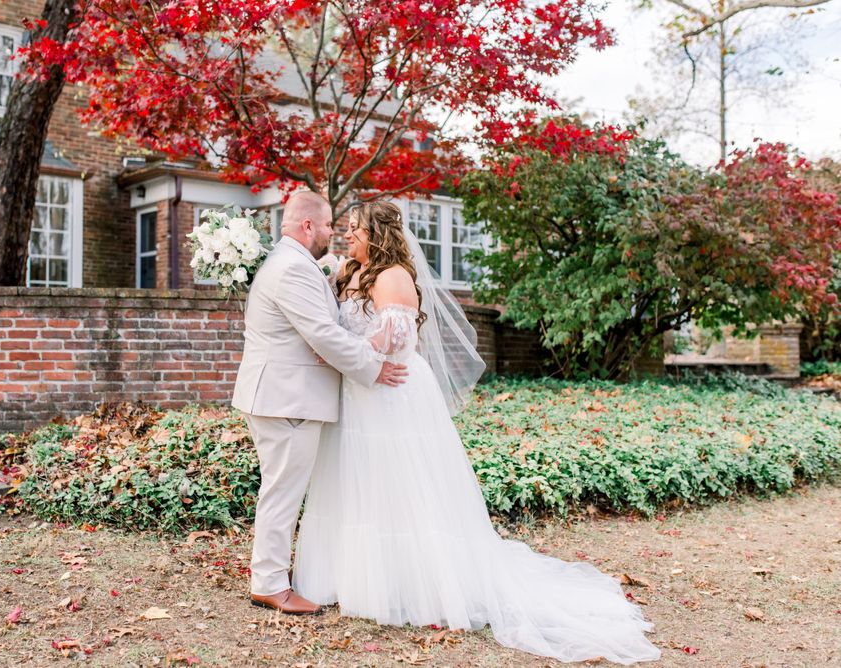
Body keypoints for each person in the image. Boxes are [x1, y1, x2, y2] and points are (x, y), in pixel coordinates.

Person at [291, 200, 662, 665]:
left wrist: (340, 354)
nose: (347, 235)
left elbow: (393, 341)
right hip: (359, 393)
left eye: (355, 229)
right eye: (343, 228)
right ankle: (352, 575)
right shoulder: (346, 270)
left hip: (392, 393)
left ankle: (410, 581)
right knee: (356, 483)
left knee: (400, 487)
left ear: (378, 233)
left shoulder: (394, 278)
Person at [231, 191, 408, 615]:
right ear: (308, 226)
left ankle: (271, 577)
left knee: (282, 489)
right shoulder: (292, 268)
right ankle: (270, 584)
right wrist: (372, 367)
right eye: (330, 225)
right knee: (282, 492)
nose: (335, 233)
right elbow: (324, 334)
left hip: (284, 393)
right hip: (287, 398)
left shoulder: (294, 264)